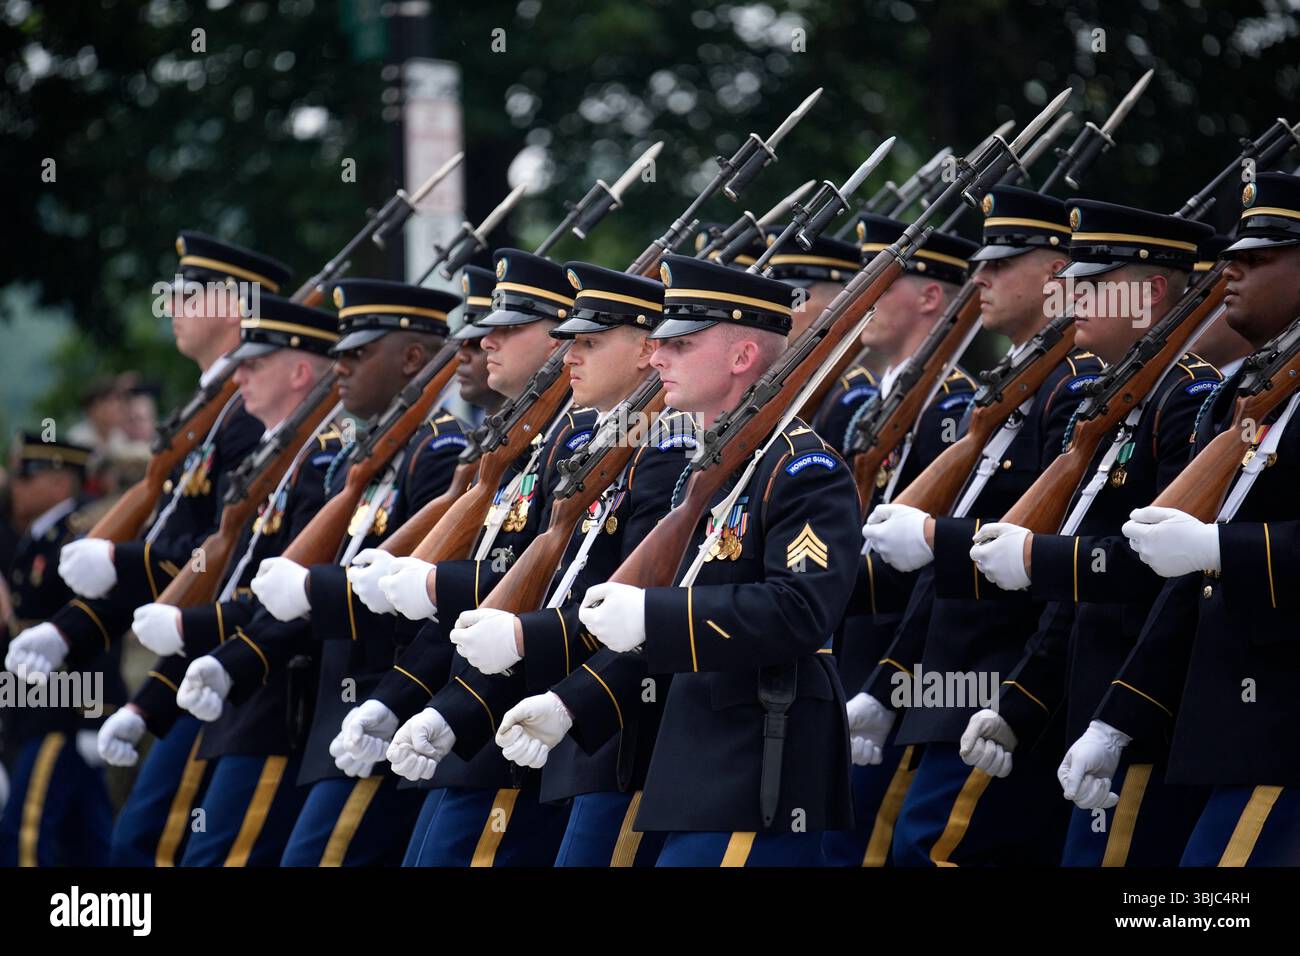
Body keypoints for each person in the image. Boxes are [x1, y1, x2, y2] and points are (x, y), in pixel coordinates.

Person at [495, 253, 863, 866]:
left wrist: (654, 615)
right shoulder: (711, 474)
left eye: (681, 345)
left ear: (743, 358)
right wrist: (571, 704)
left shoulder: (802, 467)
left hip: (758, 770)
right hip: (697, 774)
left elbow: (800, 611)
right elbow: (668, 627)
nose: (657, 357)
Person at [348, 261, 690, 867]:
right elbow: (522, 589)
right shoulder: (569, 444)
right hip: (521, 727)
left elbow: (607, 603)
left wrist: (433, 586)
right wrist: (435, 704)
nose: (570, 355)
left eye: (587, 341)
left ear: (644, 350)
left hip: (600, 740)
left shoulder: (662, 451)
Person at [959, 202, 1227, 866]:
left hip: (1143, 718)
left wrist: (1121, 717)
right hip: (1085, 704)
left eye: (1095, 282)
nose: (1070, 295)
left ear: (1154, 292)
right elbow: (1079, 591)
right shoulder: (1120, 399)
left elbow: (1163, 575)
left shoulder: (1188, 397)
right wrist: (1020, 700)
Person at [172, 279, 470, 866]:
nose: (341, 365)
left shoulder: (437, 453)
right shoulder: (369, 459)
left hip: (390, 709)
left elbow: (414, 599)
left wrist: (383, 700)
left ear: (412, 358)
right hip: (338, 712)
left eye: (357, 353)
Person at [853, 191, 1109, 866]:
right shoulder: (1010, 384)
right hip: (945, 685)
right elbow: (936, 574)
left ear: (1057, 274)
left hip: (1000, 685)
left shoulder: (1075, 388)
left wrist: (1020, 694)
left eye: (1001, 265)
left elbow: (1040, 556)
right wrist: (889, 683)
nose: (979, 279)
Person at [1071, 172, 1300, 865]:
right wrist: (1118, 716)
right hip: (1222, 732)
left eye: (1260, 258)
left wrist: (1222, 549)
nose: (1232, 268)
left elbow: (1214, 558)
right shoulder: (1245, 390)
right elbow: (1187, 587)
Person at [96, 294, 342, 866]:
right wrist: (151, 700)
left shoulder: (320, 461)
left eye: (255, 364)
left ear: (302, 372)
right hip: (233, 692)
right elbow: (229, 583)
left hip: (273, 701)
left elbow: (286, 602)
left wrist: (192, 628)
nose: (241, 375)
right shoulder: (270, 459)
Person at [0, 433, 112, 866]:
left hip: (62, 713)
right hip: (35, 708)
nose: (18, 486)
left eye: (29, 476)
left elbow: (99, 624)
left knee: (25, 831)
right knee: (89, 838)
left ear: (60, 485)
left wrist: (93, 714)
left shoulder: (76, 537)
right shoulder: (35, 539)